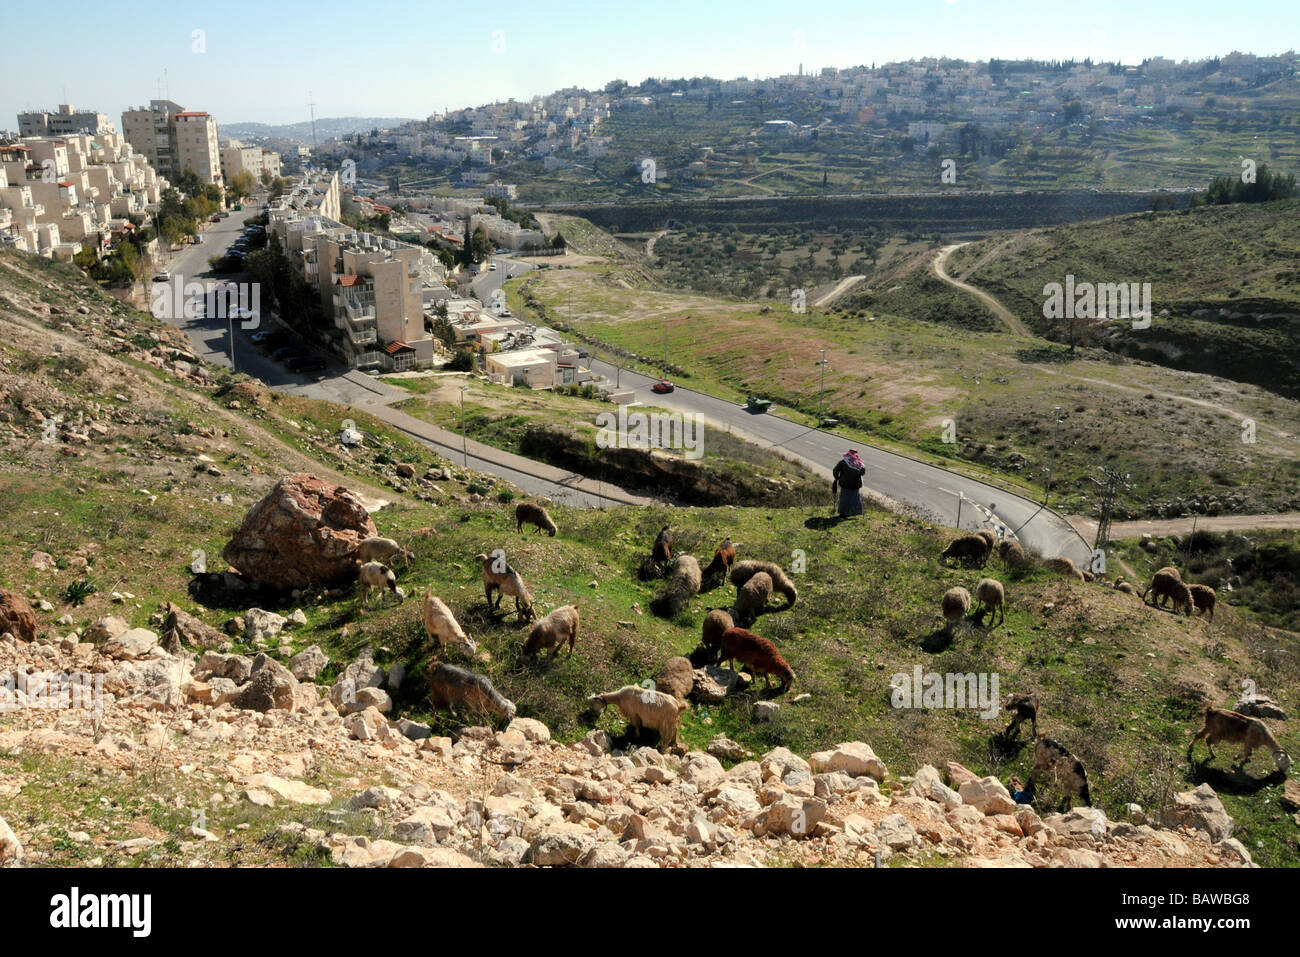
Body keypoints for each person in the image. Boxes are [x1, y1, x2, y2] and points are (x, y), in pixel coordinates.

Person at [831, 449, 866, 519]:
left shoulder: (843, 462)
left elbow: (835, 470)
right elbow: (863, 472)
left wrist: (837, 477)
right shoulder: (860, 463)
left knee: (844, 498)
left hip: (845, 484)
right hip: (855, 485)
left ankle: (843, 513)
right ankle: (855, 512)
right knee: (855, 498)